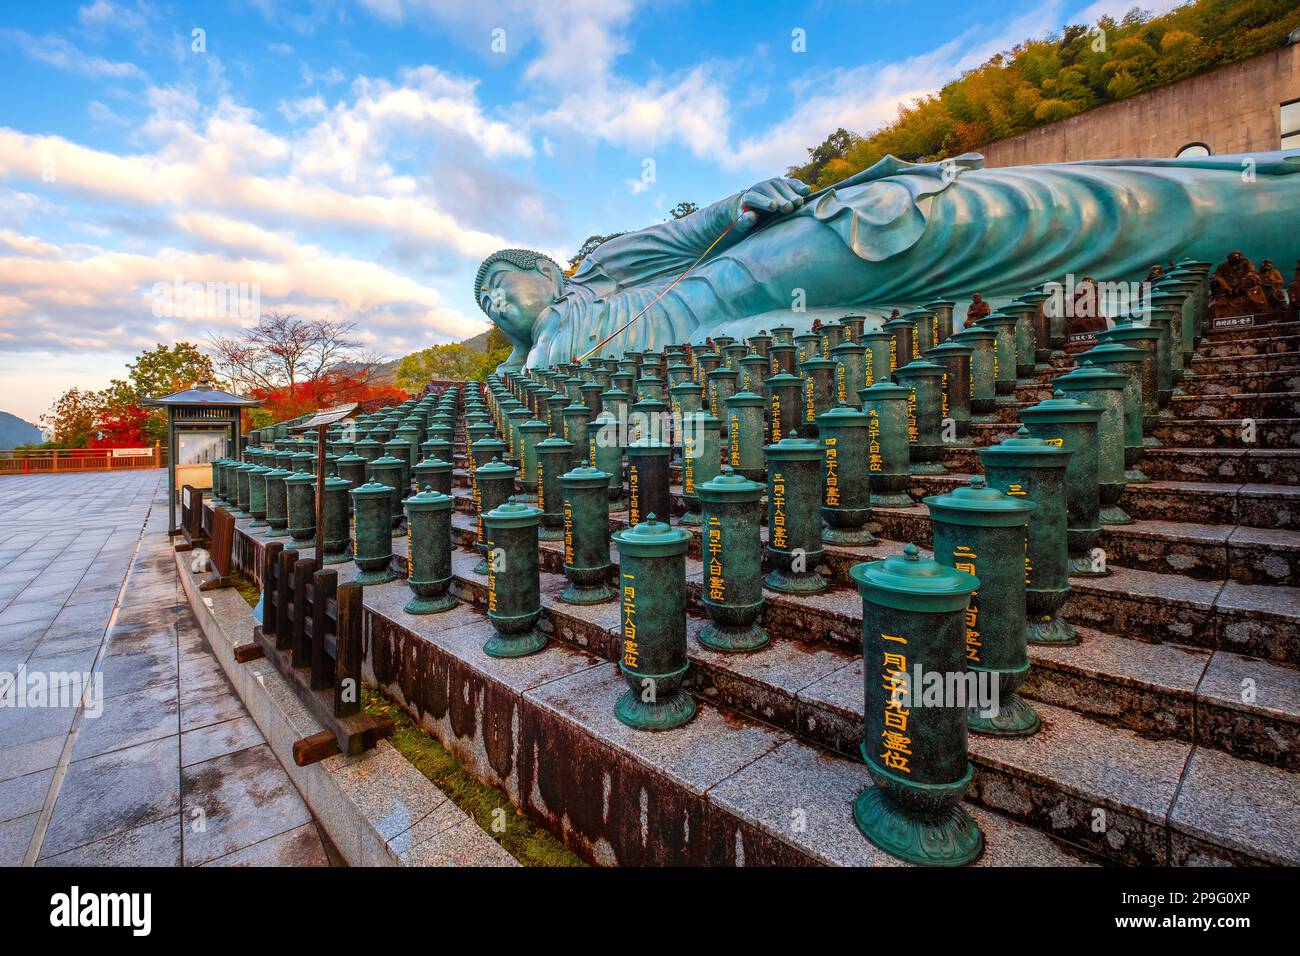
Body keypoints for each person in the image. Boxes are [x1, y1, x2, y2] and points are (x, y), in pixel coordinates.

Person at [477, 152, 1300, 370]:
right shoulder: (529, 366)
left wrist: (741, 206)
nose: (492, 299)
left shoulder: (603, 271)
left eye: (496, 280)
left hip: (753, 277)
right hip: (772, 336)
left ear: (547, 271)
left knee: (945, 221)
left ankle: (1249, 204)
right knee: (990, 291)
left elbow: (692, 232)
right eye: (482, 302)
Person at [1209, 251, 1268, 318]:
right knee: (1215, 284)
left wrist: (1243, 282)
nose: (1236, 259)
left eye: (1238, 257)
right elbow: (1216, 276)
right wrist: (1226, 286)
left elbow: (1251, 272)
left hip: (1243, 285)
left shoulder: (1246, 262)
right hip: (1227, 287)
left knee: (1254, 279)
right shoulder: (1223, 266)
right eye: (1234, 258)